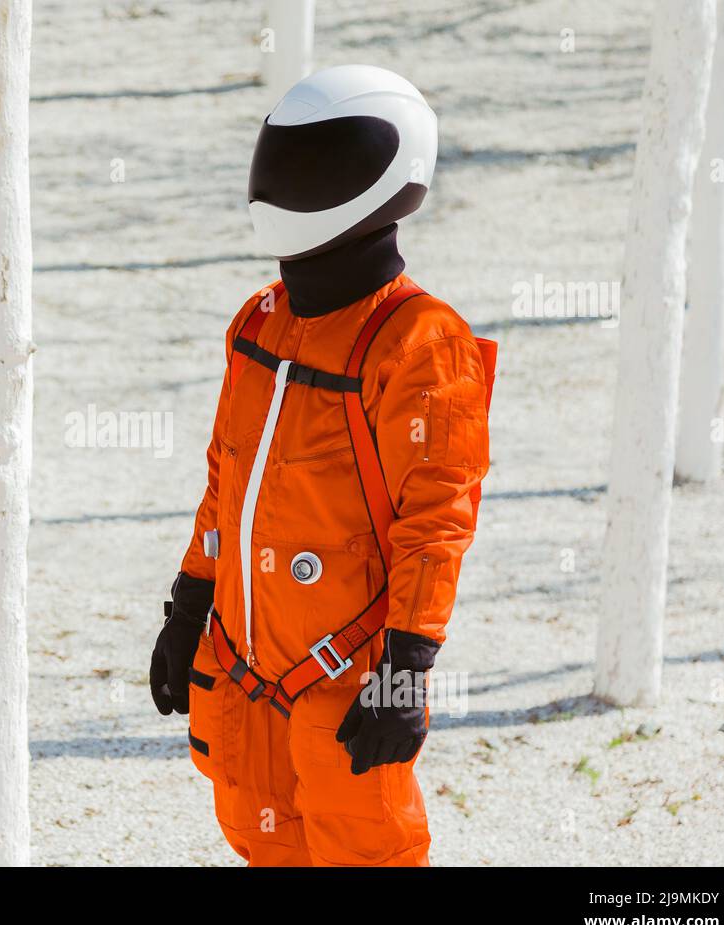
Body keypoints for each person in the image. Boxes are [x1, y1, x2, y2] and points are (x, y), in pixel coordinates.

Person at [149, 65, 493, 866]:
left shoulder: (419, 343)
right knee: (256, 835)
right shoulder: (260, 324)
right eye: (281, 160)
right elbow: (225, 480)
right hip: (243, 661)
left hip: (345, 675)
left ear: (383, 175)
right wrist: (188, 604)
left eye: (310, 165)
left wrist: (407, 668)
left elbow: (436, 523)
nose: (281, 184)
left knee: (364, 849)